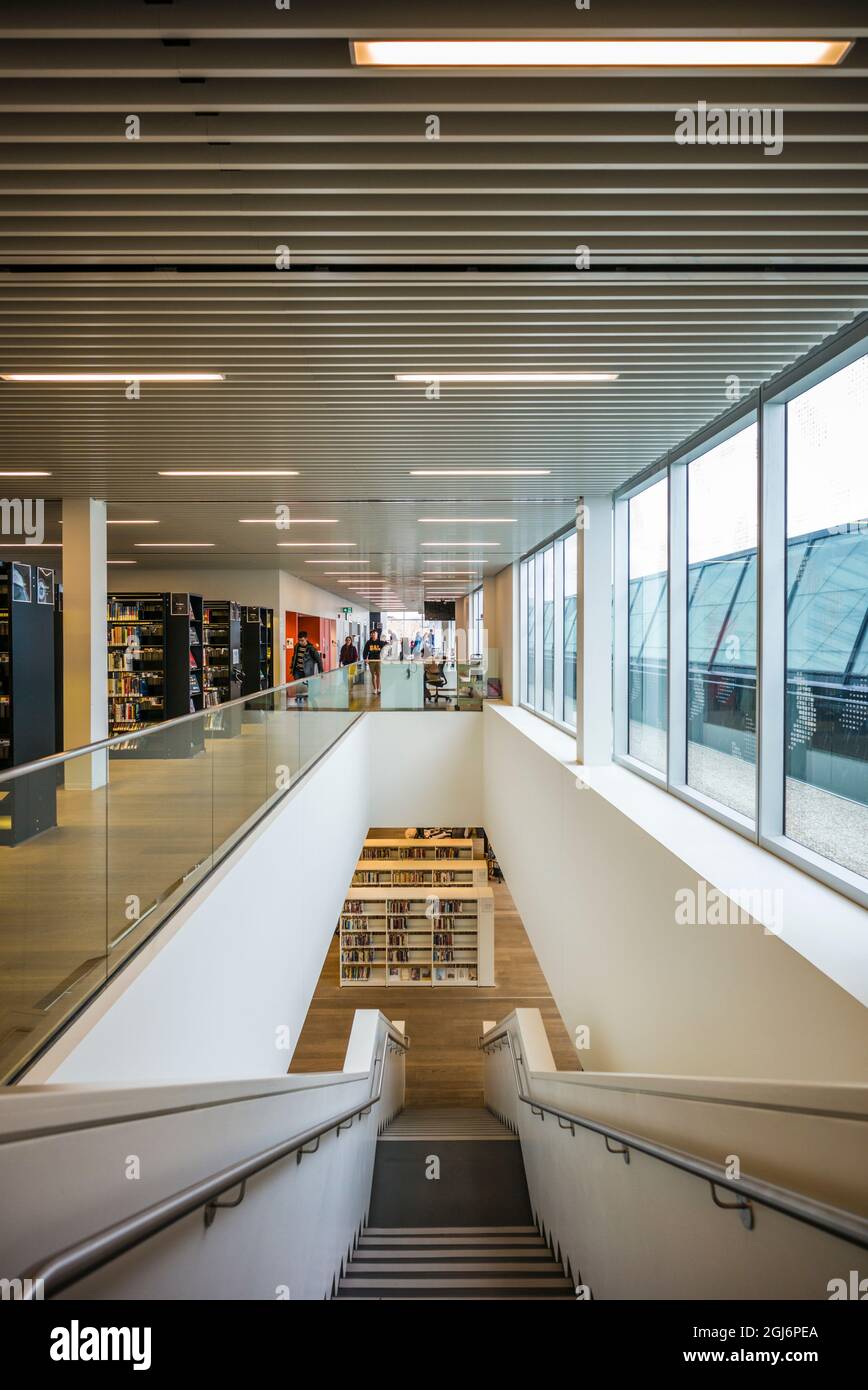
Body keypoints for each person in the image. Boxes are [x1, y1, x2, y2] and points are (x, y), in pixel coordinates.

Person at [291, 628, 323, 700]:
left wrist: (321, 672)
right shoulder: (296, 647)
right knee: (298, 684)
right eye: (299, 640)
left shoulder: (311, 648)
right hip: (297, 670)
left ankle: (307, 697)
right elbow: (294, 657)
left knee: (306, 685)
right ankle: (299, 697)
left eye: (302, 640)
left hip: (307, 671)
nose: (300, 642)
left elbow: (319, 660)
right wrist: (292, 666)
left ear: (306, 639)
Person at [363, 628, 385, 695]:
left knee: (378, 675)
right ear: (370, 635)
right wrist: (365, 658)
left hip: (378, 660)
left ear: (377, 634)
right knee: (373, 675)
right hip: (371, 661)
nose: (373, 635)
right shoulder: (368, 642)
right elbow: (365, 651)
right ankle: (375, 689)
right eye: (372, 634)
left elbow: (387, 647)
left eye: (374, 633)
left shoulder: (380, 642)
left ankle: (378, 689)